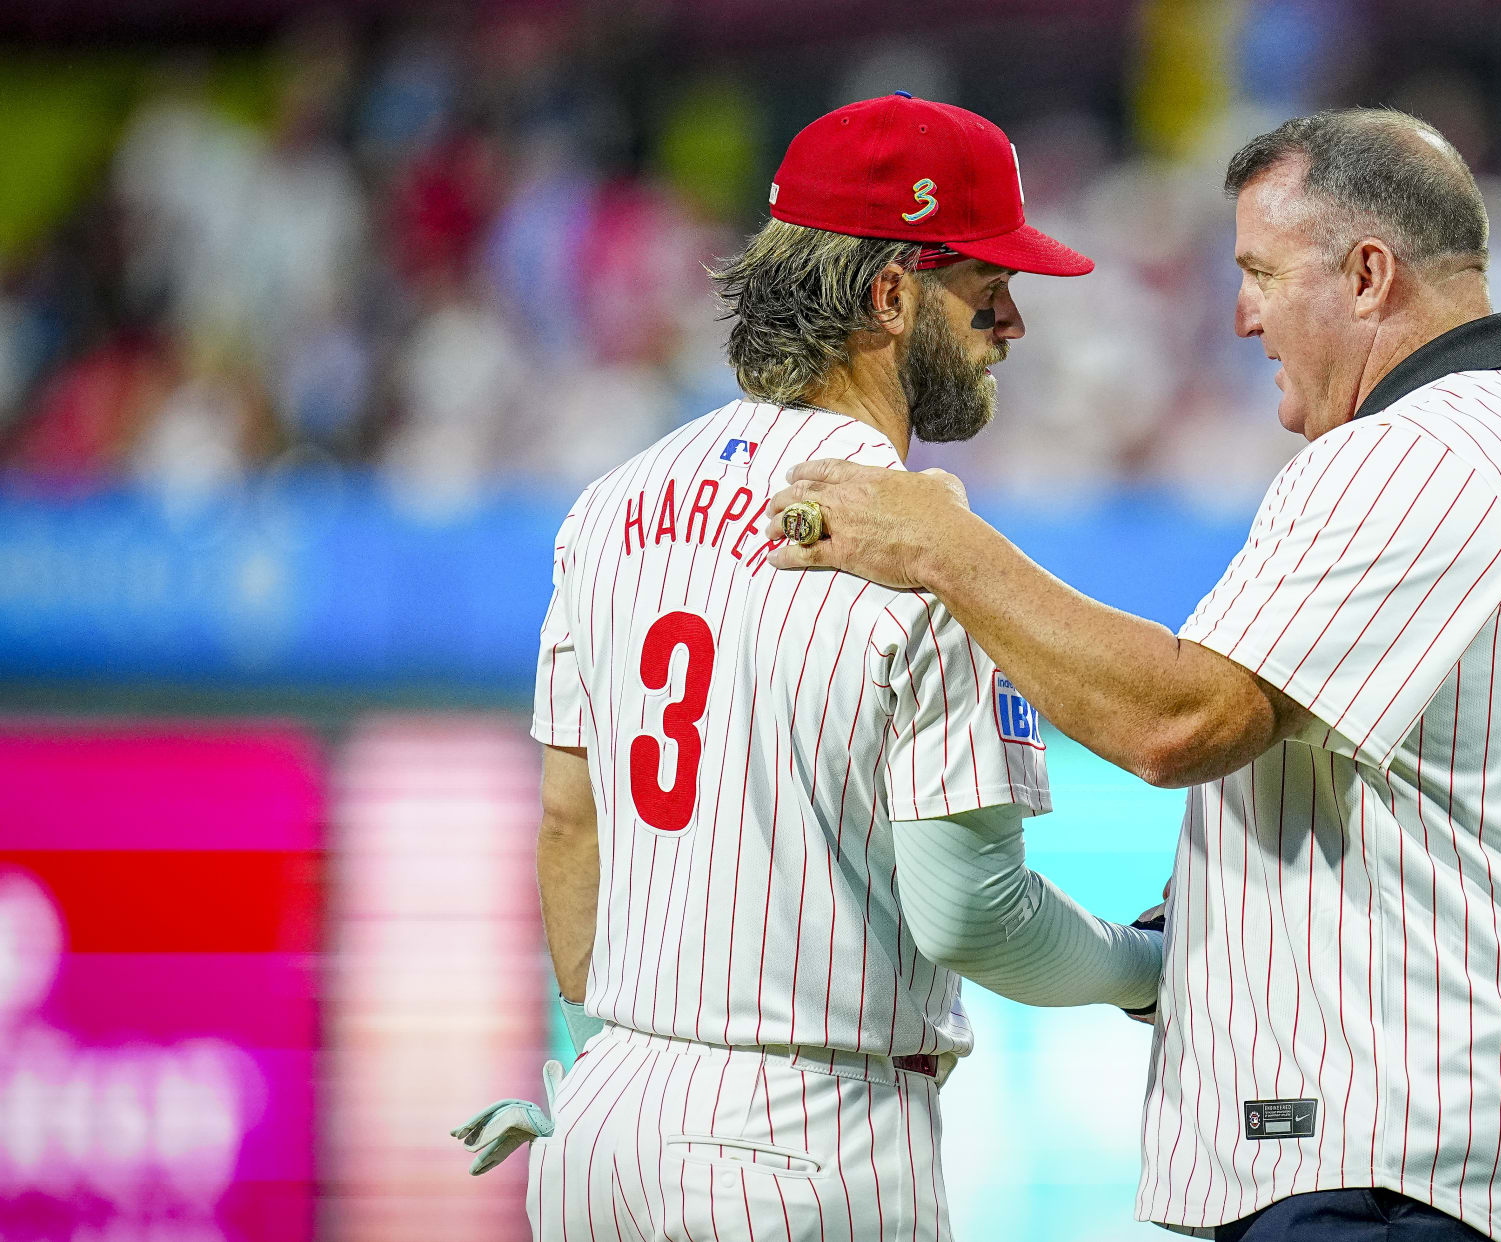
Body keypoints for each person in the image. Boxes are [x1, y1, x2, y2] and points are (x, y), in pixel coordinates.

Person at [766, 108, 1501, 1242]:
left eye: (1260, 273)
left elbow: (1181, 718)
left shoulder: (1418, 454)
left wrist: (946, 548)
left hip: (1404, 1170)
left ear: (1369, 275)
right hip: (1484, 1154)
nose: (1240, 316)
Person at [450, 93, 1164, 1242]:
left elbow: (569, 823)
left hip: (601, 1117)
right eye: (988, 291)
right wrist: (1148, 969)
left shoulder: (612, 499)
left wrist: (606, 1060)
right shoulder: (926, 542)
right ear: (889, 297)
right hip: (801, 1129)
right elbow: (971, 915)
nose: (1013, 325)